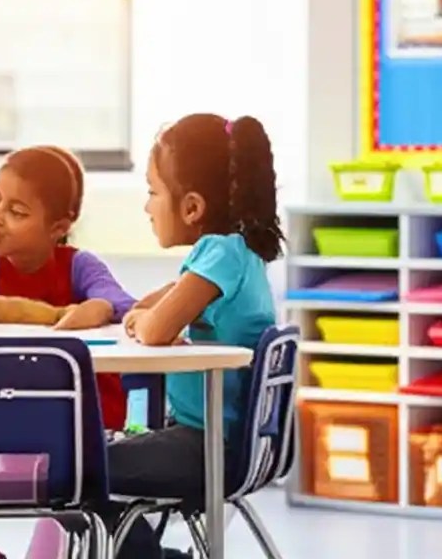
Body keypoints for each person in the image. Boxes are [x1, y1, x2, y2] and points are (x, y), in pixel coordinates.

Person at [0, 145, 137, 559]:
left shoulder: (80, 266)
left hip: (80, 433)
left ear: (58, 226)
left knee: (69, 486)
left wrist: (78, 309)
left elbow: (120, 305)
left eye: (17, 211)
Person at [108, 113, 283, 559]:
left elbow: (155, 328)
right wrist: (143, 315)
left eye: (152, 192)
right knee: (96, 458)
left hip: (204, 448)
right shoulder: (238, 253)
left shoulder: (219, 253)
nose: (147, 207)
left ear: (191, 207)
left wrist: (143, 322)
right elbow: (155, 302)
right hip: (221, 446)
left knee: (81, 466)